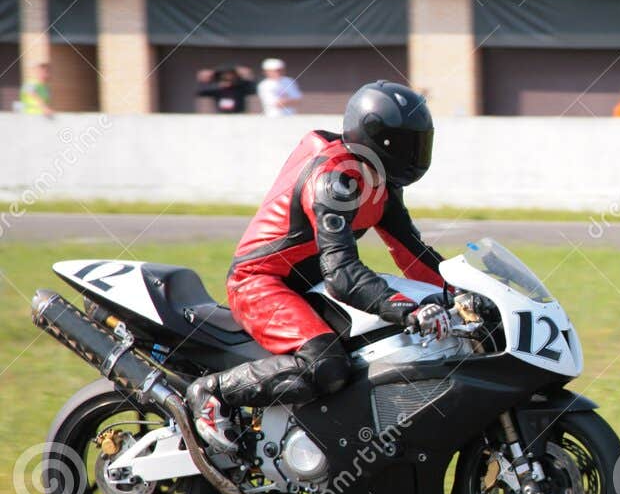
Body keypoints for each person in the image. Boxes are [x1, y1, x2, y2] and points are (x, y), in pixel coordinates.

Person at [186, 81, 450, 452]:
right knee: (326, 366)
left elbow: (412, 253)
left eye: (421, 141)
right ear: (379, 139)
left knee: (374, 346)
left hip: (308, 286)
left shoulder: (380, 182)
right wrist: (407, 309)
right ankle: (213, 393)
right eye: (408, 142)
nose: (416, 152)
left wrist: (466, 294)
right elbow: (342, 274)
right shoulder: (334, 179)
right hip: (261, 282)